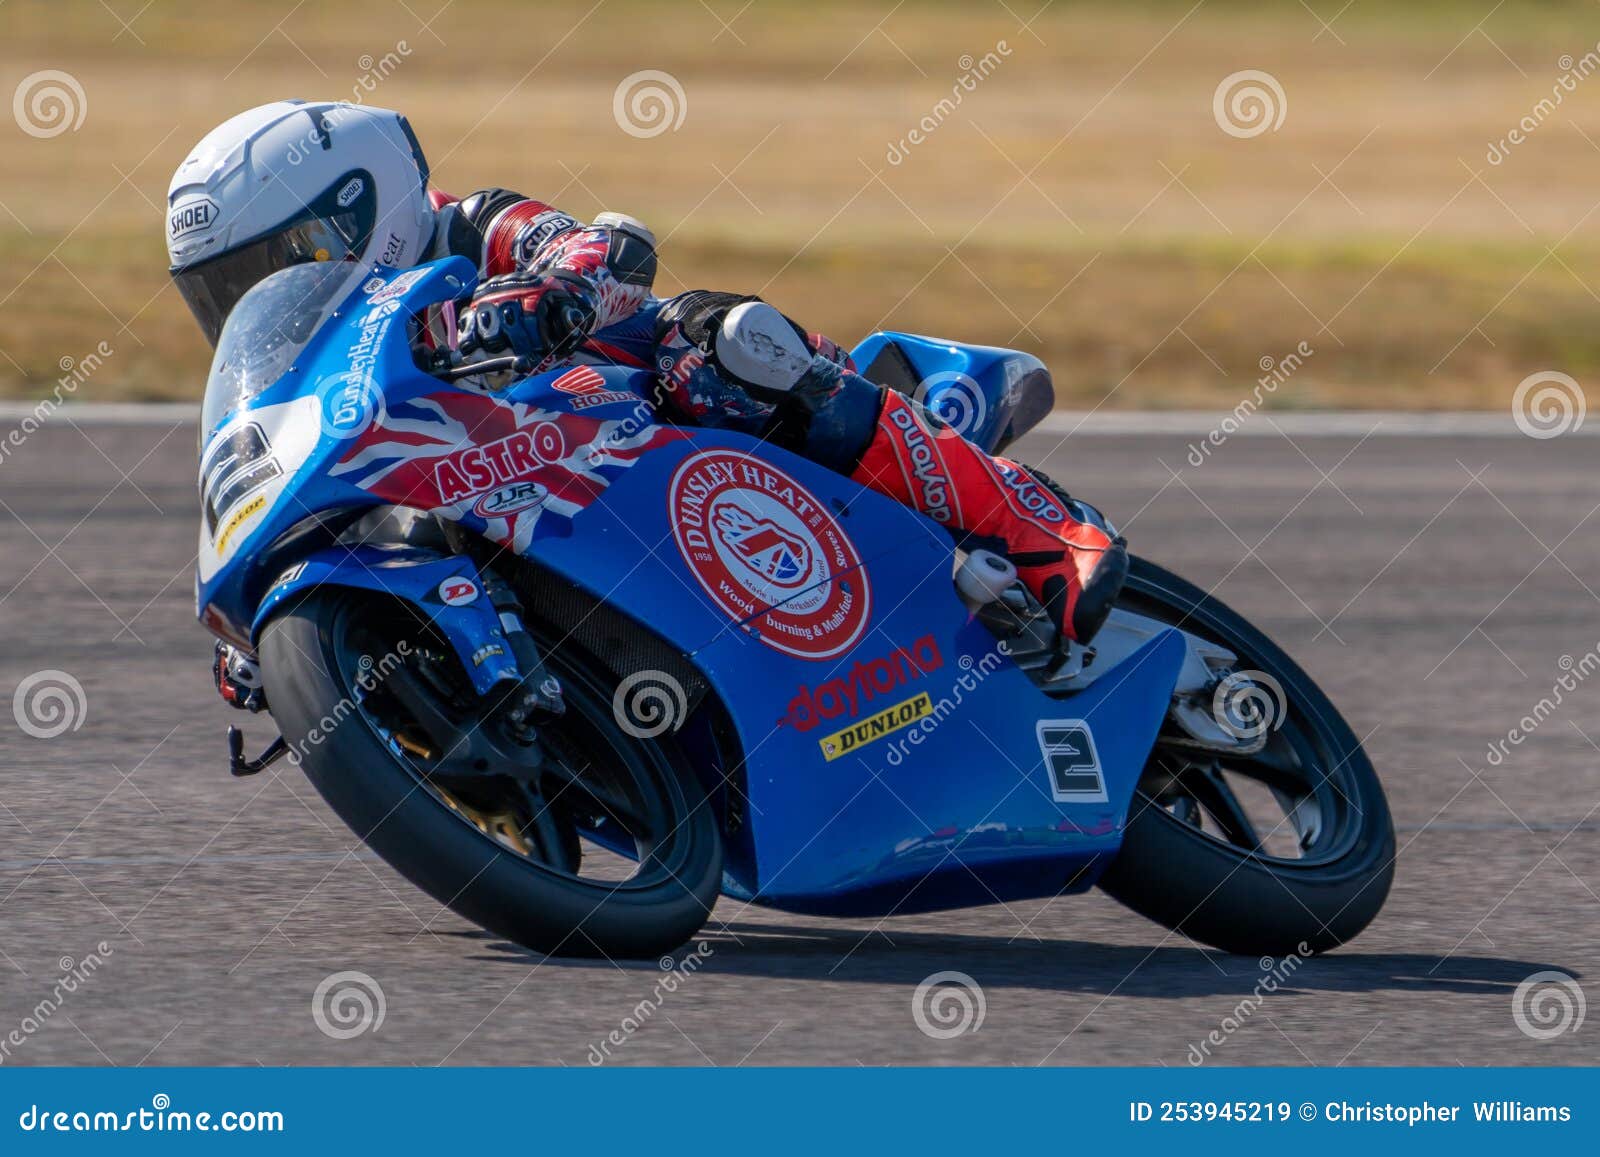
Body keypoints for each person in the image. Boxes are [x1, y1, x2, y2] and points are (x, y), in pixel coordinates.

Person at [169, 101, 1126, 712]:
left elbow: (605, 247)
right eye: (225, 289)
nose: (253, 298)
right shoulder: (325, 377)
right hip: (533, 504)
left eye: (273, 264)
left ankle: (1035, 527)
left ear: (357, 209)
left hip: (639, 413)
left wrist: (555, 296)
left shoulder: (465, 224)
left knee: (720, 341)